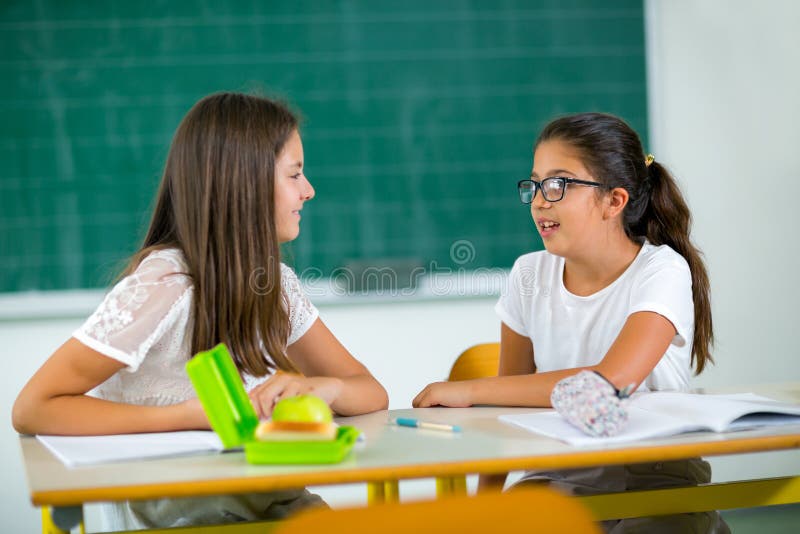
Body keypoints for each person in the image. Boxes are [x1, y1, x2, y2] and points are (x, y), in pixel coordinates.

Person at [13, 92, 388, 529]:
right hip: (184, 520)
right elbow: (33, 407)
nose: (309, 190)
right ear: (243, 184)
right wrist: (187, 417)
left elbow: (370, 391)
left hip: (276, 510)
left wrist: (326, 390)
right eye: (295, 174)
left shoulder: (277, 284)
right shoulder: (165, 286)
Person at [413, 112, 728, 533]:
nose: (541, 200)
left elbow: (607, 384)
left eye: (558, 184)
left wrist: (468, 390)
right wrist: (482, 508)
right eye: (535, 184)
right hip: (560, 481)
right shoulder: (528, 275)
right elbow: (501, 411)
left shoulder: (661, 270)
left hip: (657, 483)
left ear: (613, 201)